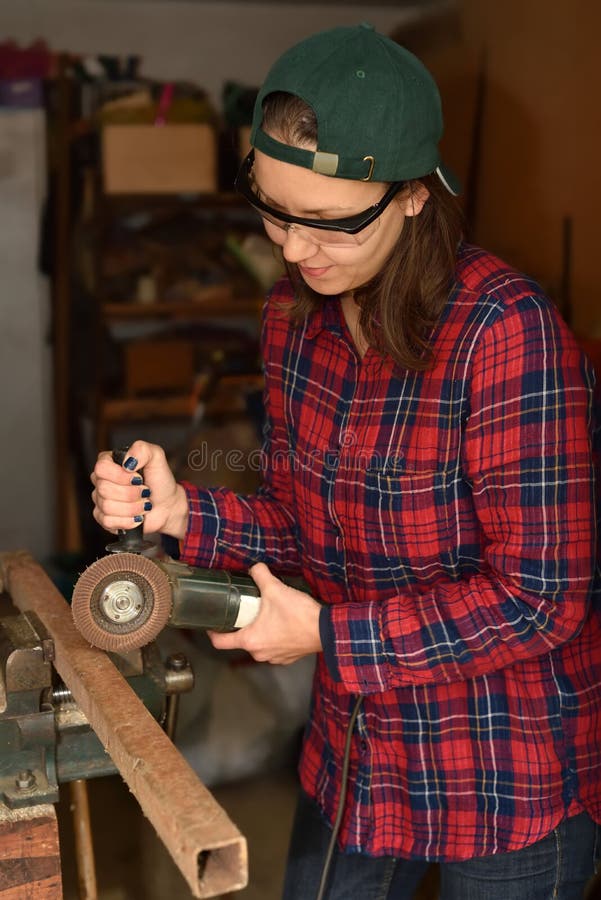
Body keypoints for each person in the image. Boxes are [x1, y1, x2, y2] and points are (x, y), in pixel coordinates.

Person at [91, 23, 601, 900]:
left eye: (327, 223)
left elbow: (542, 597)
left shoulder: (503, 333)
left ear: (411, 196)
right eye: (272, 209)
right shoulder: (295, 317)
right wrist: (181, 513)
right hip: (359, 755)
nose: (291, 249)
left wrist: (327, 634)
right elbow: (303, 526)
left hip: (502, 772)